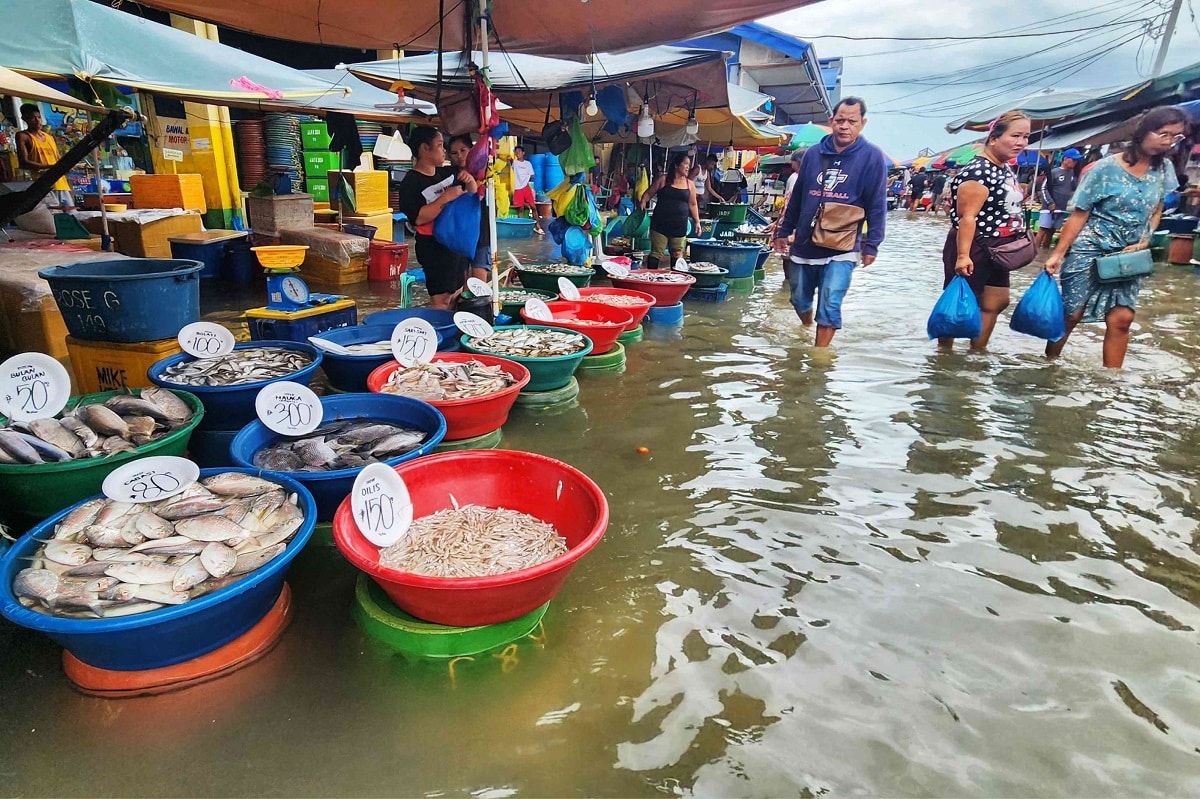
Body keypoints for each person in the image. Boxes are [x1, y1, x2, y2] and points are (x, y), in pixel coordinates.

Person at [1043, 106, 1187, 368]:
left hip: (1129, 254)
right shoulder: (1105, 168)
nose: (1167, 142)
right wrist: (1057, 253)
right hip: (1091, 248)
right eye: (1162, 134)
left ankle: (1112, 384)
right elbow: (1079, 214)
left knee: (1122, 319)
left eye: (1175, 137)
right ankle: (1049, 364)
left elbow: (1157, 208)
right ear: (1143, 131)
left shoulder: (1165, 169)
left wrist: (1146, 239)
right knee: (1071, 314)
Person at [773, 97, 888, 347]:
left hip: (843, 246)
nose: (845, 126)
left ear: (863, 123)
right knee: (799, 300)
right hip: (805, 242)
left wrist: (872, 245)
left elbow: (877, 205)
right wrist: (784, 230)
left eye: (852, 121)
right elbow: (798, 197)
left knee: (830, 301)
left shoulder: (872, 157)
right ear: (831, 122)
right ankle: (806, 327)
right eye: (840, 120)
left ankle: (819, 359)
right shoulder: (814, 154)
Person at [939, 110, 1031, 351]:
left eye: (1026, 137)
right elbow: (967, 217)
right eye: (1015, 136)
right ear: (994, 139)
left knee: (997, 301)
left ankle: (976, 354)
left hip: (998, 249)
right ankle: (943, 358)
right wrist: (962, 256)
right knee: (957, 305)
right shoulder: (978, 171)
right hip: (974, 246)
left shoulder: (1004, 167)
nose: (1021, 142)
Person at [397, 126, 475, 310]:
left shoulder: (447, 173)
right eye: (440, 145)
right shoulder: (411, 182)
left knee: (457, 293)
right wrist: (446, 197)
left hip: (455, 244)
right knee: (441, 299)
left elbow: (472, 197)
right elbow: (418, 218)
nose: (444, 151)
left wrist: (470, 181)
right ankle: (442, 333)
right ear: (425, 148)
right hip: (433, 247)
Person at [640, 150, 701, 269]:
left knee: (677, 254)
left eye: (689, 165)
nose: (688, 167)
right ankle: (650, 279)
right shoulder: (663, 180)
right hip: (660, 224)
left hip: (679, 226)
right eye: (685, 164)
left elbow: (693, 204)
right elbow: (648, 194)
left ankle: (675, 282)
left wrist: (697, 222)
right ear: (677, 165)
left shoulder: (690, 184)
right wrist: (642, 202)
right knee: (656, 253)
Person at [447, 134, 491, 283]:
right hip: (459, 236)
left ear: (472, 150)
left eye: (463, 150)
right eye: (454, 153)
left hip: (481, 235)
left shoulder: (486, 173)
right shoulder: (449, 176)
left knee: (480, 286)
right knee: (460, 285)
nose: (459, 156)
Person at [15, 104, 74, 210]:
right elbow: (23, 162)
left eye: (38, 117)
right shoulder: (23, 136)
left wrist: (66, 166)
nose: (37, 121)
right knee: (53, 217)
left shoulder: (49, 137)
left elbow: (58, 159)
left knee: (72, 216)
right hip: (43, 185)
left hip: (61, 184)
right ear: (24, 119)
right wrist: (51, 167)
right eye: (32, 118)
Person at [1036, 148, 1080, 248]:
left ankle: (1044, 251)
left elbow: (1074, 188)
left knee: (1051, 231)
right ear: (1065, 159)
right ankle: (1034, 253)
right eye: (1073, 160)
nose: (1075, 162)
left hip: (1061, 208)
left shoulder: (1072, 174)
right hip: (1049, 207)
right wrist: (1050, 203)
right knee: (1043, 230)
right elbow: (1044, 188)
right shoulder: (1054, 172)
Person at [509, 145, 542, 234]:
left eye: (519, 151)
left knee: (533, 207)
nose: (517, 153)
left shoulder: (528, 164)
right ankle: (522, 228)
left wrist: (525, 177)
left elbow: (532, 175)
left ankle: (537, 226)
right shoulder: (514, 163)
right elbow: (508, 159)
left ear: (523, 153)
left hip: (526, 187)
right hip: (517, 188)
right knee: (520, 209)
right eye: (516, 151)